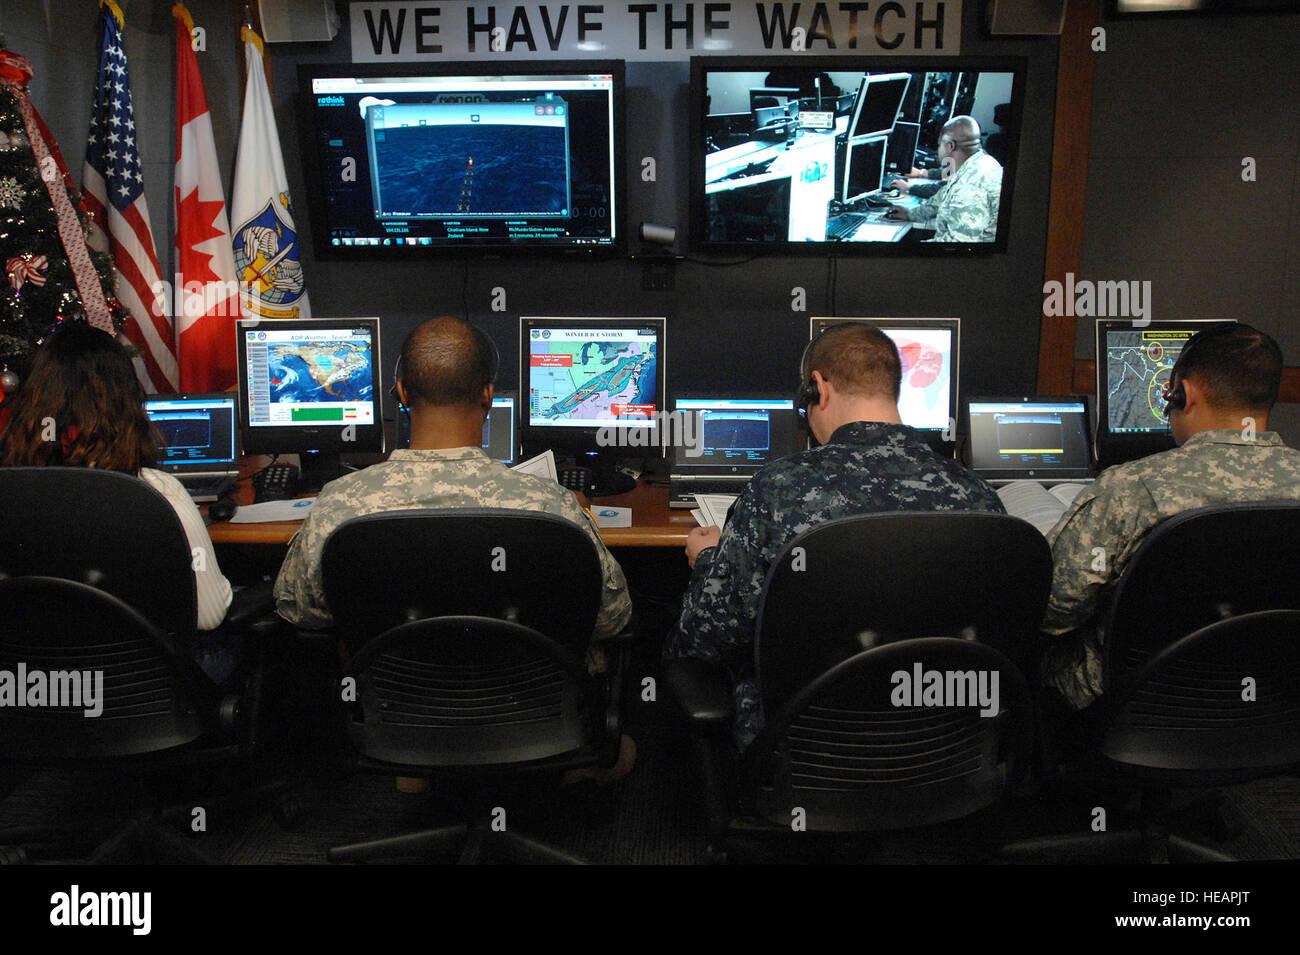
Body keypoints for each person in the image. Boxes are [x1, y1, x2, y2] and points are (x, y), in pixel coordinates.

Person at [664, 323, 1006, 749]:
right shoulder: (979, 496)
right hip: (943, 747)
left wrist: (709, 562)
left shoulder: (778, 489)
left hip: (806, 748)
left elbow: (708, 637)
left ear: (817, 388)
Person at [273, 316, 633, 658]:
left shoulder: (339, 503)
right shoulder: (554, 505)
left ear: (401, 393)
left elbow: (299, 610)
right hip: (524, 707)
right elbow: (610, 617)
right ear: (488, 396)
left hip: (391, 705)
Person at [1041, 323, 1300, 710]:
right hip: (1280, 699)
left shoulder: (1132, 488)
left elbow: (1053, 608)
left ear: (1185, 392)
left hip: (1140, 708)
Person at [0, 320, 234, 652]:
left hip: (28, 688)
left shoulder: (10, 493)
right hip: (139, 692)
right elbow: (209, 616)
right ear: (127, 404)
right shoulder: (157, 493)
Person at [884, 116, 1002, 242]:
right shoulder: (979, 161)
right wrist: (910, 214)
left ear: (950, 146)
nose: (937, 150)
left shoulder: (969, 187)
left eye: (940, 145)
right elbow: (943, 195)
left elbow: (958, 246)